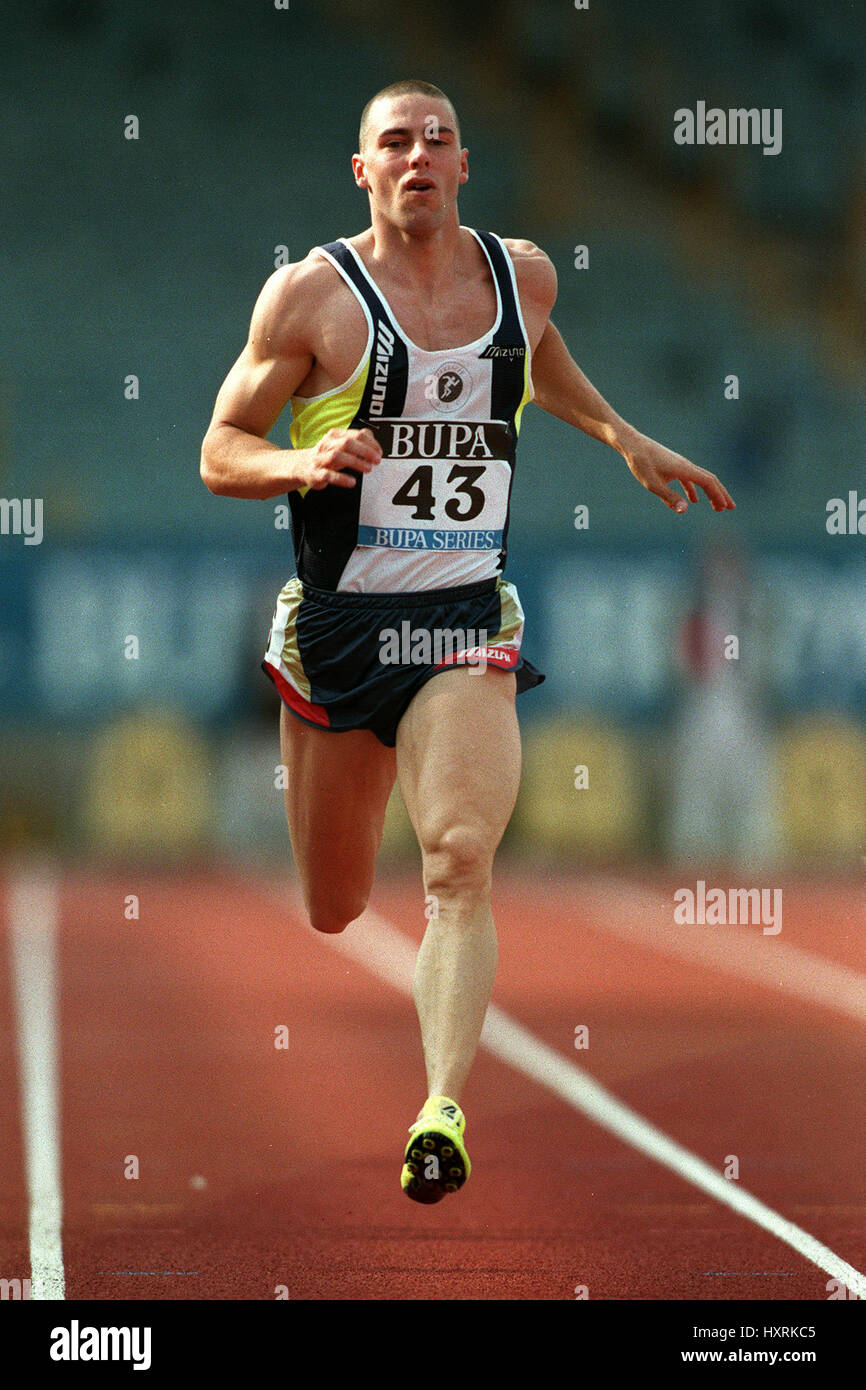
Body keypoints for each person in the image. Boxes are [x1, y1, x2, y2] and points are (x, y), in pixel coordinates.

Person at [200, 79, 735, 1205]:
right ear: (363, 170)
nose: (416, 157)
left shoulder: (519, 275)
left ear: (462, 163)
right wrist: (299, 464)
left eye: (436, 139)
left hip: (460, 615)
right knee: (335, 904)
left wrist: (618, 434)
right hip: (340, 629)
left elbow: (532, 354)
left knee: (456, 860)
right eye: (393, 142)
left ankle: (439, 1107)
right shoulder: (310, 299)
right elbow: (219, 445)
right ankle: (367, 807)